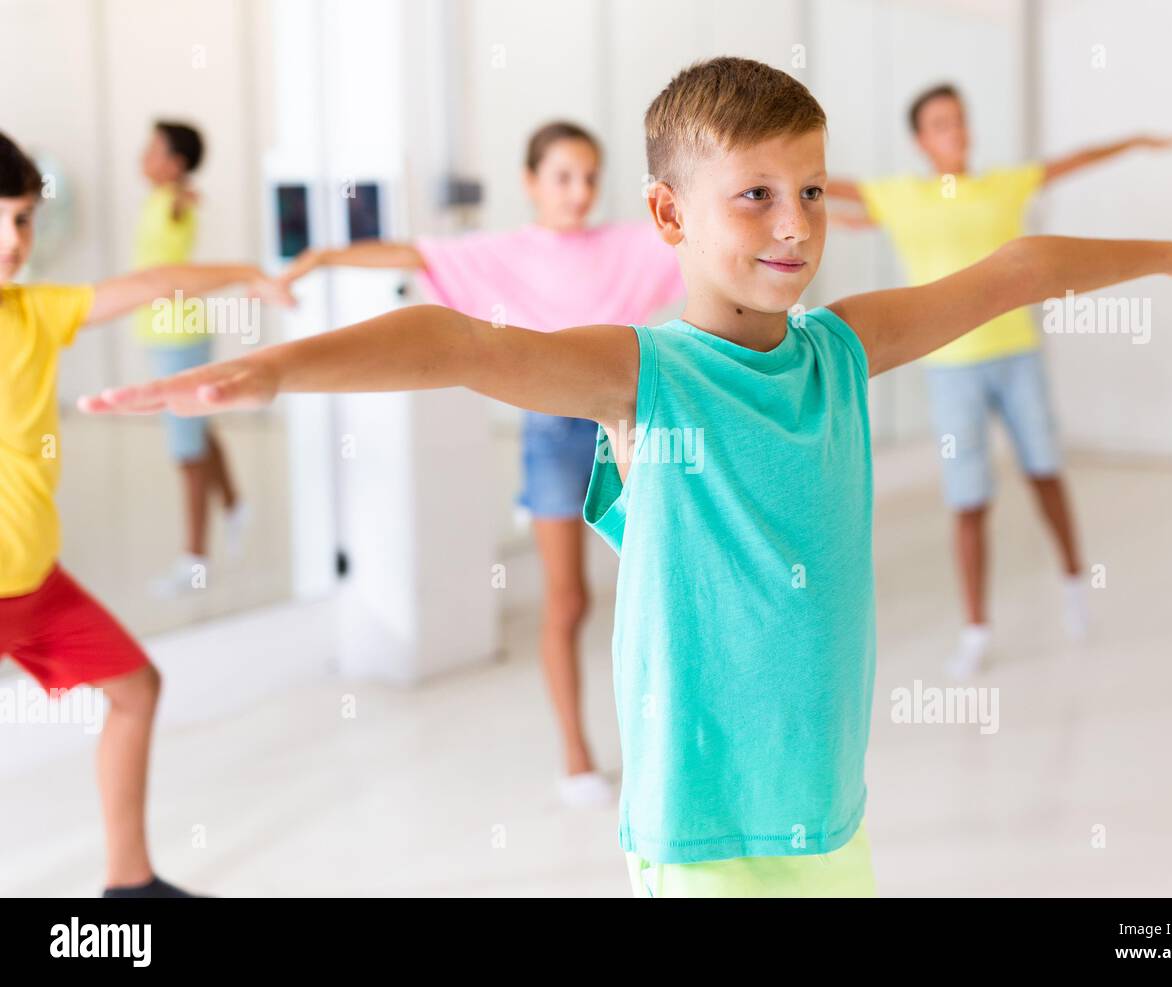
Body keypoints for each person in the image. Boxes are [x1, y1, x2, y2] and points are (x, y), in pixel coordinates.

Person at [80, 58, 1172, 898]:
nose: (792, 221)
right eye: (752, 193)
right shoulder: (646, 377)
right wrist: (276, 373)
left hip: (827, 811)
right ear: (666, 213)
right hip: (701, 830)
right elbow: (462, 343)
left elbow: (1014, 268)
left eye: (809, 189)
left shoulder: (844, 350)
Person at [279, 121, 683, 806]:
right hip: (554, 430)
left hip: (630, 413)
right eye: (563, 177)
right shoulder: (503, 252)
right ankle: (576, 752)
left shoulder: (627, 243)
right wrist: (320, 256)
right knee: (570, 598)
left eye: (590, 176)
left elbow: (702, 236)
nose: (580, 191)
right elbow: (409, 252)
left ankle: (668, 748)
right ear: (530, 183)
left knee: (659, 591)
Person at [0, 131, 290, 896]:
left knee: (135, 687)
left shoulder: (35, 310)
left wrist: (244, 275)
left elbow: (152, 281)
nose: (11, 241)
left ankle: (129, 882)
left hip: (34, 583)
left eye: (22, 218)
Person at [826, 83, 1172, 677]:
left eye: (961, 121)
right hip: (950, 369)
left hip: (1017, 357)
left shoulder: (1004, 185)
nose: (956, 132)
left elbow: (1080, 158)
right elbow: (818, 181)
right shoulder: (896, 196)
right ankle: (976, 628)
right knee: (969, 500)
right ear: (920, 140)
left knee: (1045, 473)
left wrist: (1138, 140)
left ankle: (1074, 583)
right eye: (941, 124)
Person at [134, 121, 249, 597]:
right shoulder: (159, 200)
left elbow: (181, 211)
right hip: (170, 334)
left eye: (153, 149)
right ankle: (236, 503)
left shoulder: (174, 202)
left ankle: (194, 559)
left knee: (186, 453)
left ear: (176, 164)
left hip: (178, 337)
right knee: (198, 429)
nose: (142, 155)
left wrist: (184, 195)